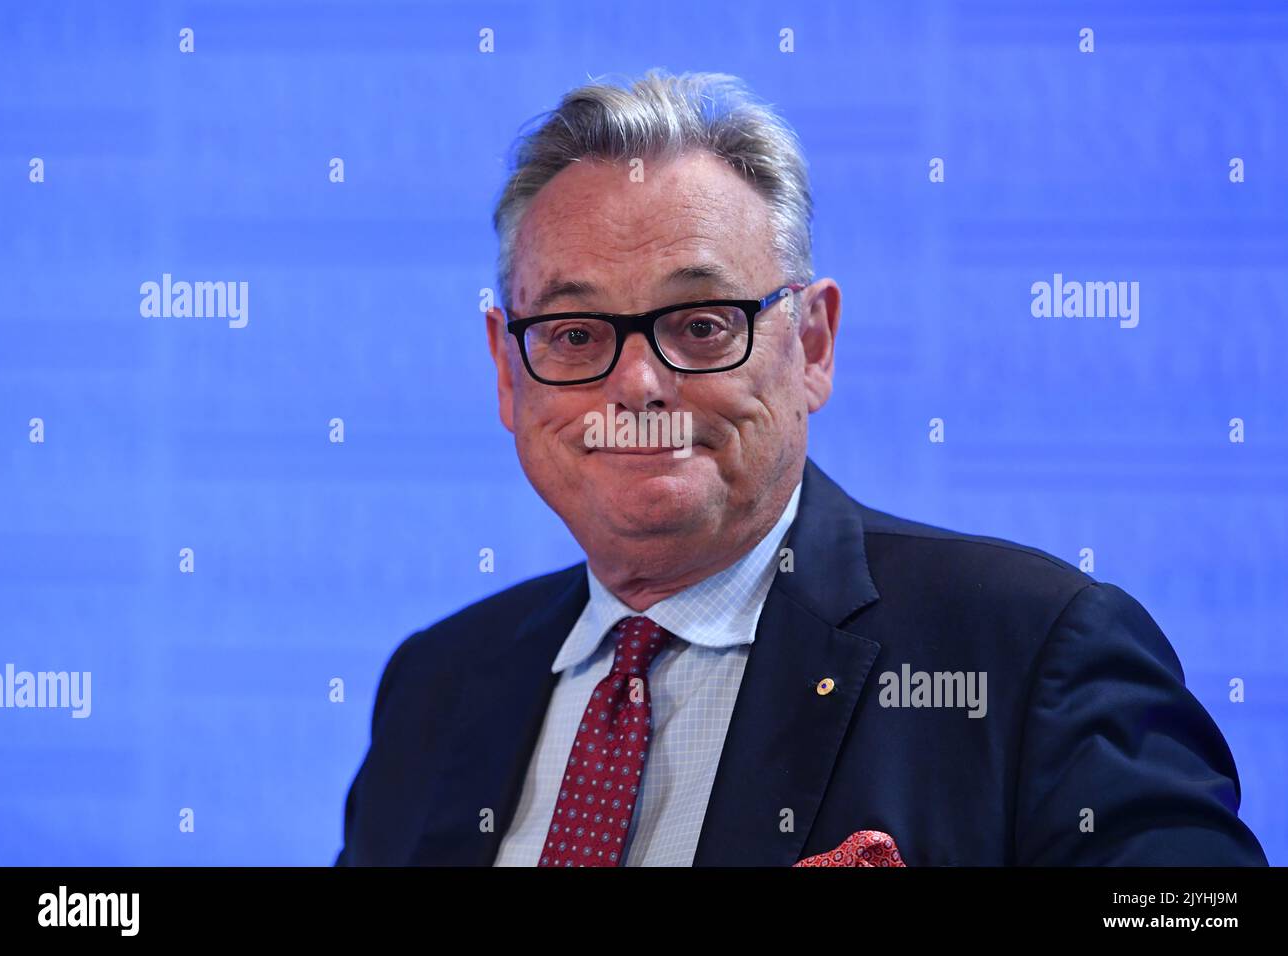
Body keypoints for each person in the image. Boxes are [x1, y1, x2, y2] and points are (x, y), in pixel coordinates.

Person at [335, 69, 1266, 866]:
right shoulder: (438, 687)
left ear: (812, 344)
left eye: (700, 325)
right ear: (507, 372)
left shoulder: (1028, 650)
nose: (640, 385)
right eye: (575, 335)